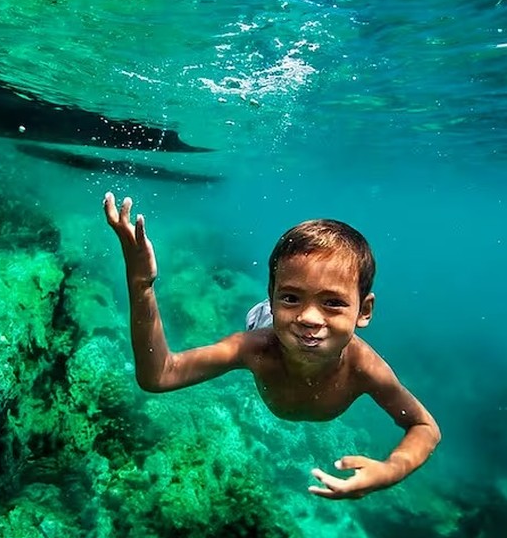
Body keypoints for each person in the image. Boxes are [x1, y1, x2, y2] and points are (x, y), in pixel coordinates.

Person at [103, 193, 441, 500]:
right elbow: (159, 376)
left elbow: (425, 427)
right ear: (273, 293)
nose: (310, 317)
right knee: (266, 323)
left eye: (333, 303)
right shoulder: (254, 350)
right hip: (266, 325)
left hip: (280, 323)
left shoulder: (365, 368)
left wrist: (388, 471)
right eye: (291, 297)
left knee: (290, 323)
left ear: (363, 311)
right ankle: (276, 308)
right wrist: (142, 284)